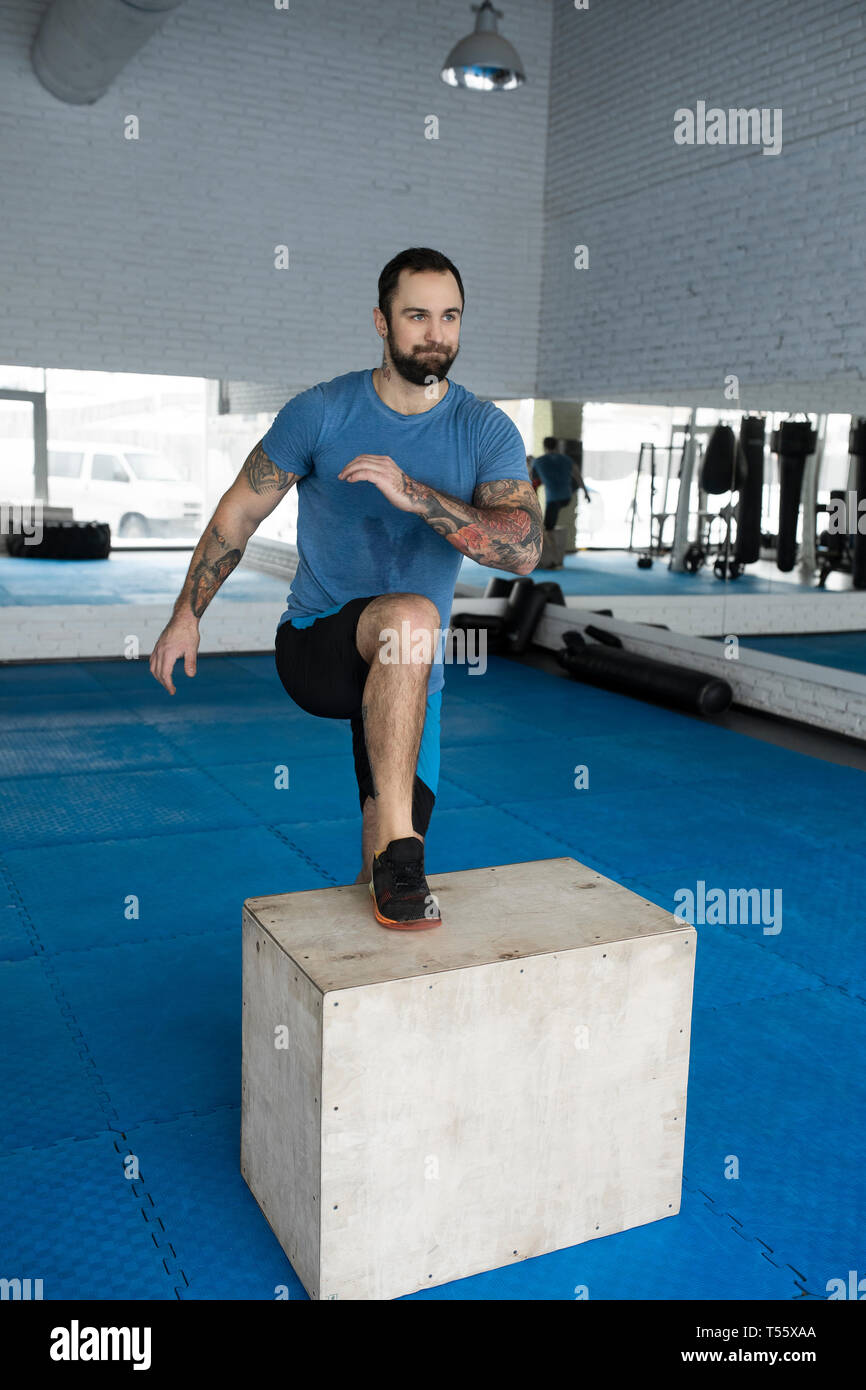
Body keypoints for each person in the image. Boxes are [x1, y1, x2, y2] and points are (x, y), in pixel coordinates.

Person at [149, 247, 543, 929]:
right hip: (318, 647)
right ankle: (397, 857)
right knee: (414, 616)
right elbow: (239, 512)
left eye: (449, 316)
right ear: (381, 322)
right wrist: (188, 613)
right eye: (416, 315)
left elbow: (524, 549)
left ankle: (377, 901)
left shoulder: (484, 428)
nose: (435, 333)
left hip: (412, 677)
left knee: (388, 878)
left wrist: (415, 494)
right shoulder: (321, 412)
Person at [532, 436, 590, 530]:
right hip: (566, 497)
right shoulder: (567, 460)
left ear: (544, 447)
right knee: (549, 525)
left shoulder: (538, 462)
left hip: (553, 499)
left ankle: (552, 544)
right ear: (556, 446)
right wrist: (586, 494)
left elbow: (532, 480)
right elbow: (578, 477)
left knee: (548, 528)